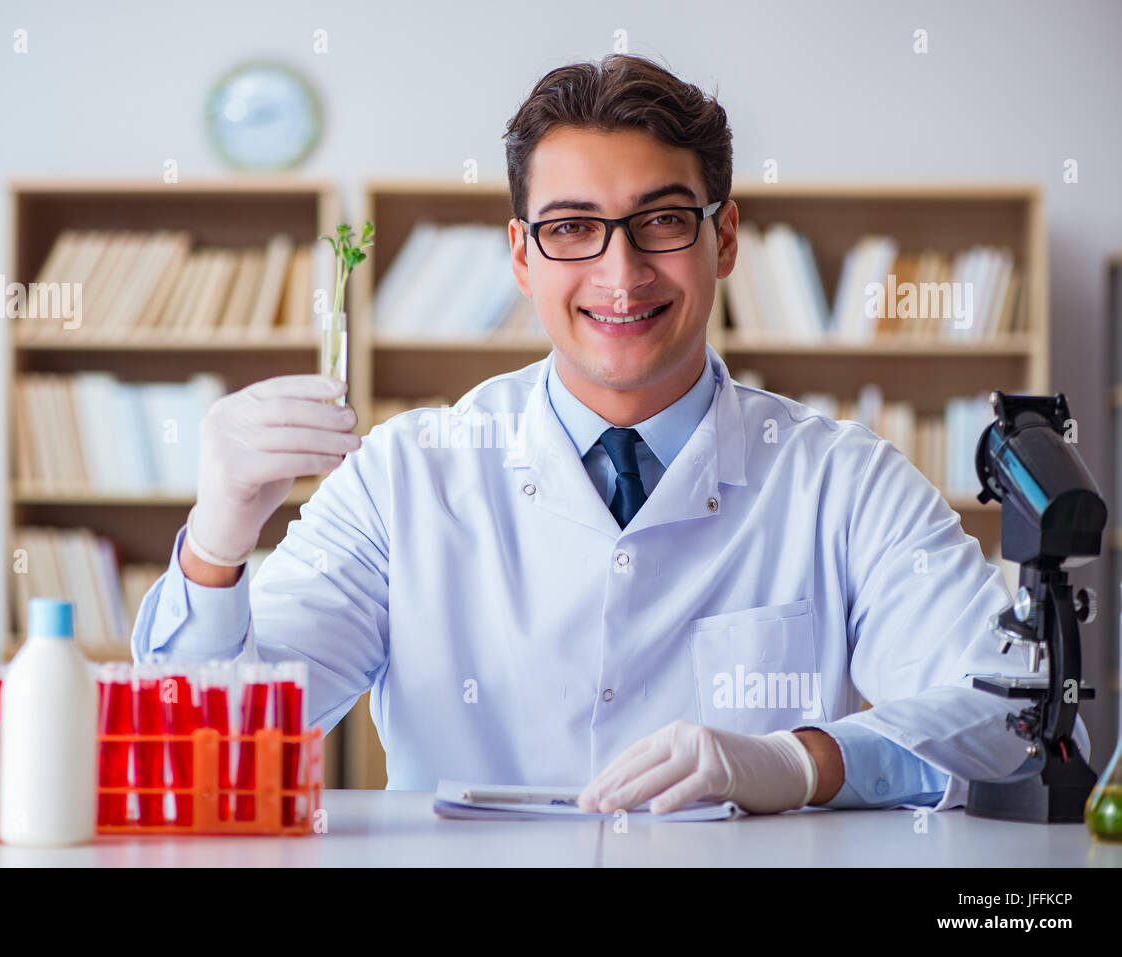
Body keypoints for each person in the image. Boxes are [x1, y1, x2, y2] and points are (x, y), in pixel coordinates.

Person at [131, 53, 1087, 814]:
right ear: (520, 254)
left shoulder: (844, 480)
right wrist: (217, 543)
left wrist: (802, 761)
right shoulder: (404, 478)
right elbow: (207, 760)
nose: (621, 274)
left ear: (724, 239)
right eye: (573, 228)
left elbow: (1017, 715)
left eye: (662, 220)